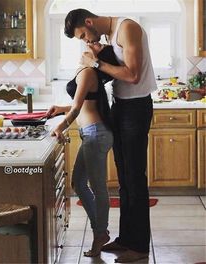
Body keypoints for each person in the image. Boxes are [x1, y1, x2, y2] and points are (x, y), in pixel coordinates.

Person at [64, 9, 157, 263]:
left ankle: (138, 247)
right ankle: (127, 239)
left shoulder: (127, 28)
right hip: (121, 107)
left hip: (136, 108)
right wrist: (99, 53)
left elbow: (133, 75)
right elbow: (111, 74)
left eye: (83, 34)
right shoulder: (109, 37)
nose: (85, 40)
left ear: (90, 22)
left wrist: (95, 62)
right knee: (125, 179)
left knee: (135, 179)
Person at [47, 43, 119, 257]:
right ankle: (101, 230)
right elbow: (84, 104)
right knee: (78, 183)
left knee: (98, 188)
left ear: (98, 55)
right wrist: (62, 109)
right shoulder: (86, 71)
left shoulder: (88, 71)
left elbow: (78, 108)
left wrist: (60, 126)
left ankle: (99, 235)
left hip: (96, 134)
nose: (90, 43)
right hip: (92, 133)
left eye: (97, 44)